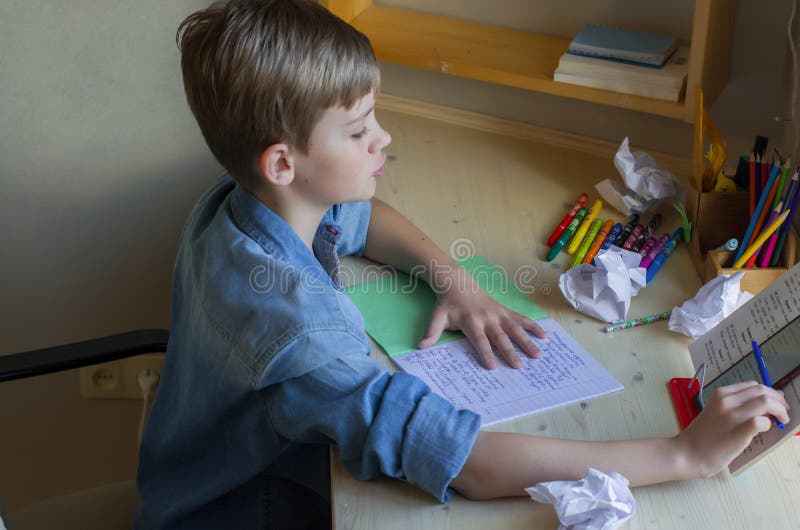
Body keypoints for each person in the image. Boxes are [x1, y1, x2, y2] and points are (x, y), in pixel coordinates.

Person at [135, 1, 791, 528]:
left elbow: (367, 220)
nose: (383, 137)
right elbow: (467, 464)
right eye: (360, 128)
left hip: (200, 478)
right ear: (283, 162)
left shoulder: (248, 204)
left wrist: (458, 284)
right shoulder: (301, 341)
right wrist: (684, 454)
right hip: (250, 509)